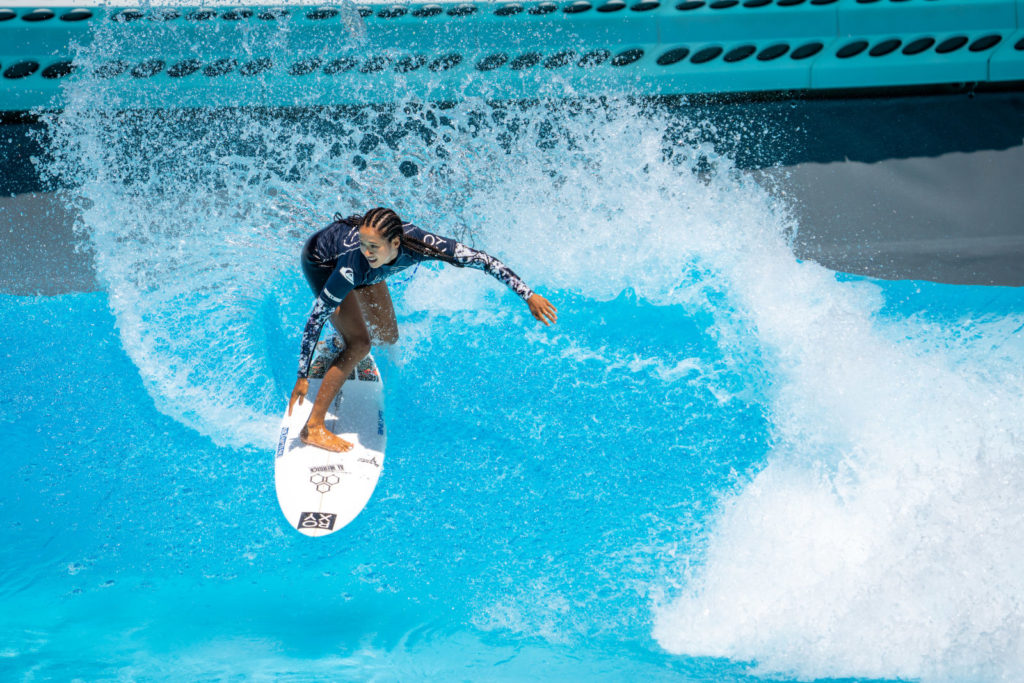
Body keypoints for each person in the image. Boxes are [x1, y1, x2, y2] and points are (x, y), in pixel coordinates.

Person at [289, 207, 558, 452]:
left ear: (395, 243)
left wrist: (528, 295)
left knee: (387, 336)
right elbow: (315, 318)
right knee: (361, 344)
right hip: (321, 261)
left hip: (370, 270)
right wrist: (302, 374)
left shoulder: (420, 245)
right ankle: (312, 428)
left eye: (372, 246)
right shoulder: (354, 264)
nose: (366, 251)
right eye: (363, 244)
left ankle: (340, 339)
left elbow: (482, 260)